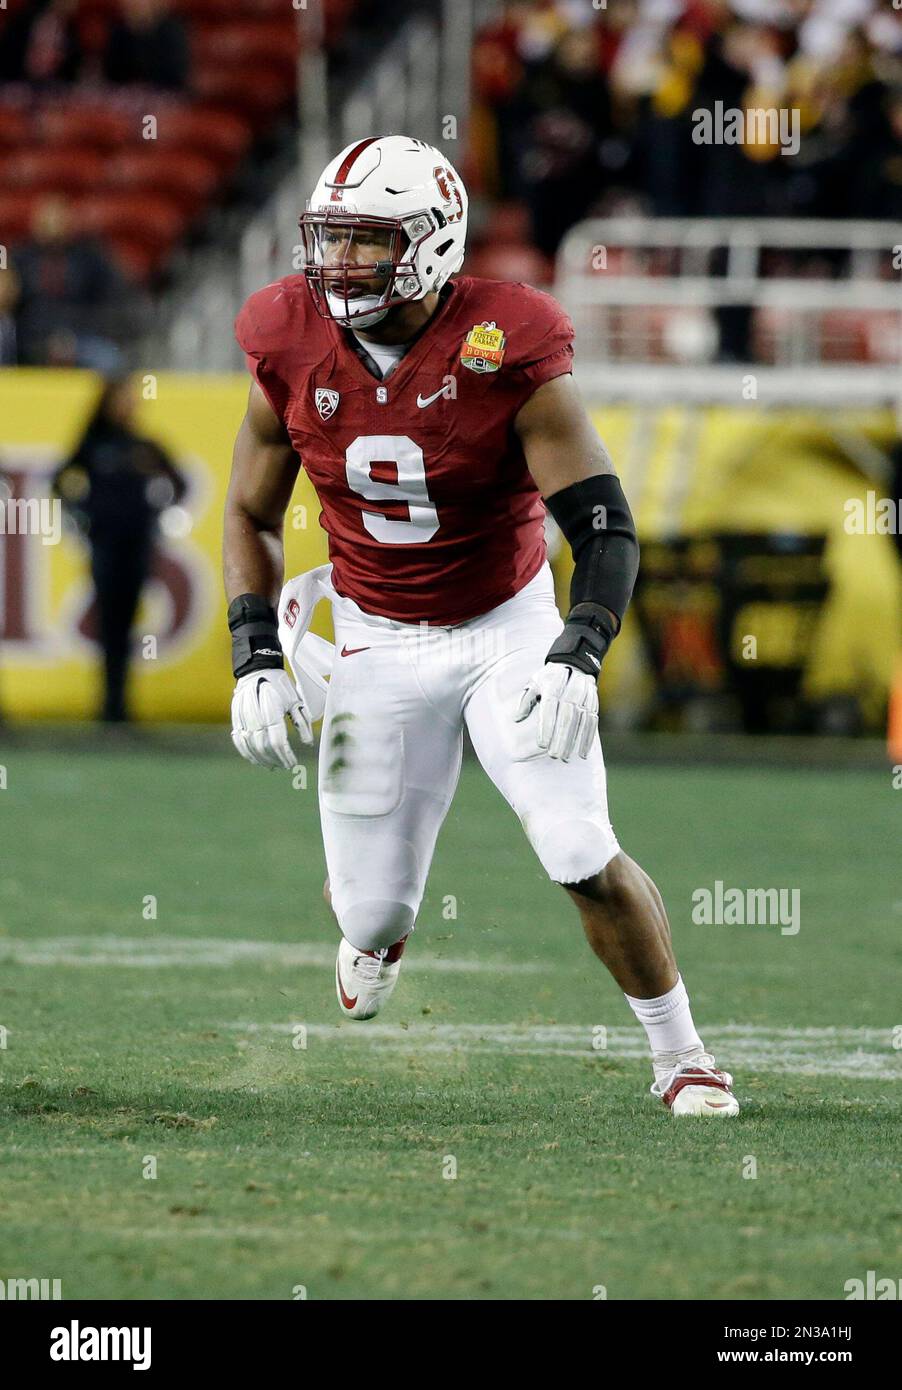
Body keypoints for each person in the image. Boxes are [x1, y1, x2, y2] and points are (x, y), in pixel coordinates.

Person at [223, 135, 739, 1118]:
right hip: (374, 637)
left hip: (503, 629)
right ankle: (377, 929)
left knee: (578, 848)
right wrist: (251, 654)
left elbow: (602, 523)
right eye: (327, 240)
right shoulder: (284, 333)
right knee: (370, 908)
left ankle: (681, 1057)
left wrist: (578, 649)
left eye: (365, 244)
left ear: (428, 243)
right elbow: (247, 512)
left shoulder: (505, 340)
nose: (336, 265)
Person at [54, 375, 186, 722]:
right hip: (105, 545)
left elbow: (180, 481)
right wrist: (81, 514)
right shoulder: (94, 444)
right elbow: (59, 479)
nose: (129, 404)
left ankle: (120, 705)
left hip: (137, 545)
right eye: (122, 397)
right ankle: (109, 704)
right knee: (109, 621)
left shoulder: (144, 446)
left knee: (127, 622)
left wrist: (157, 514)